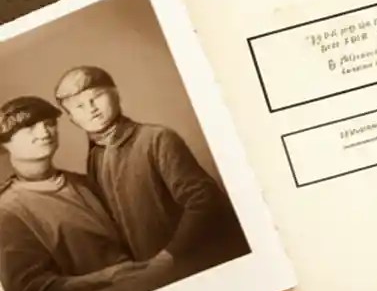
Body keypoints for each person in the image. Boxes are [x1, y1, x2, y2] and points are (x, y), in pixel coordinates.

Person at [53, 66, 249, 278]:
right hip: (152, 277)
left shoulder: (157, 139)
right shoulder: (95, 157)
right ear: (72, 118)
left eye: (97, 97)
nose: (91, 109)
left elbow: (204, 200)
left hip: (197, 266)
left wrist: (169, 256)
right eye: (79, 106)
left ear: (116, 94)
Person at [0, 96, 148, 291]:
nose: (45, 132)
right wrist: (109, 277)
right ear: (4, 142)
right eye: (29, 127)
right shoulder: (8, 210)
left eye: (49, 123)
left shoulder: (83, 183)